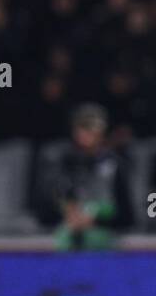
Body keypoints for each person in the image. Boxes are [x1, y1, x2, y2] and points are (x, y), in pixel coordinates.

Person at [31, 103, 135, 250]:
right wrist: (68, 215)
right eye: (84, 126)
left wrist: (95, 220)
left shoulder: (114, 165)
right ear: (75, 130)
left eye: (95, 126)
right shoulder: (58, 162)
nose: (90, 133)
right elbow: (43, 212)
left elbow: (128, 216)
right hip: (64, 242)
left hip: (103, 245)